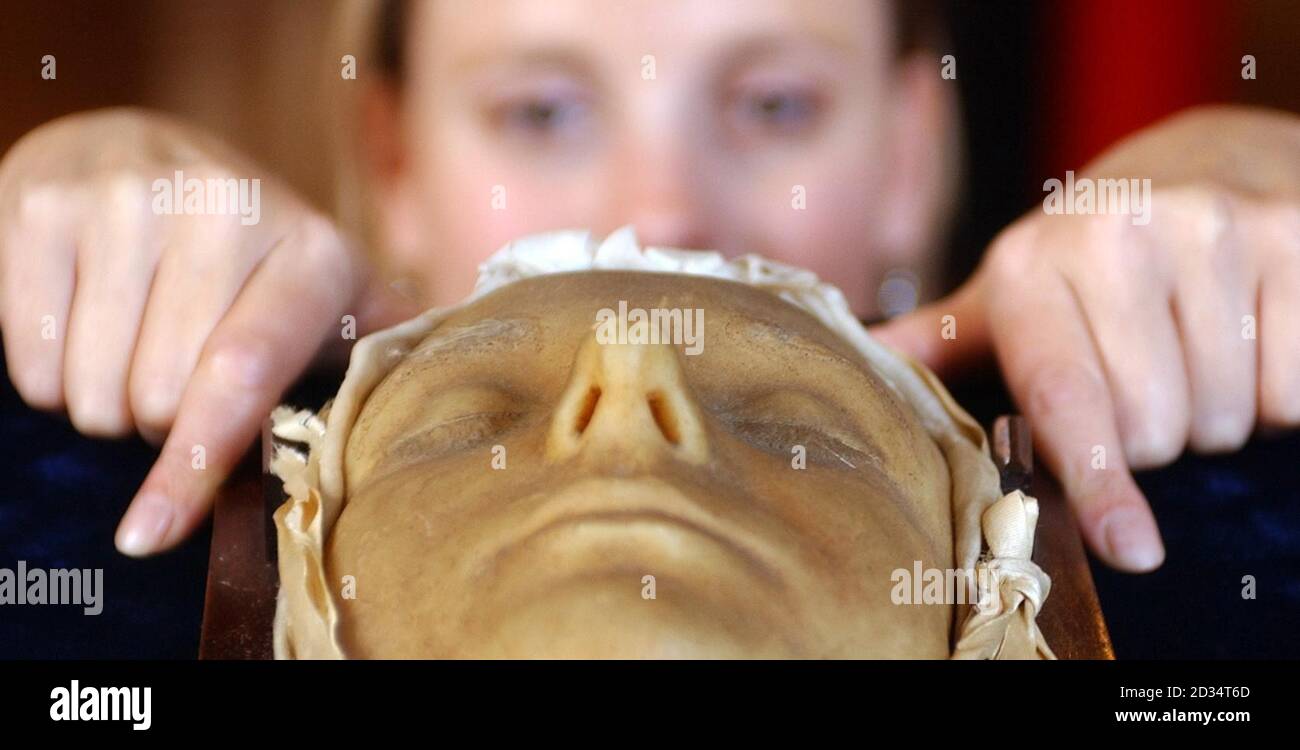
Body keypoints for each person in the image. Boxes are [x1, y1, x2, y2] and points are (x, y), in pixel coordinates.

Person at [0, 0, 1296, 574]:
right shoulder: (184, 480)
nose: (660, 211)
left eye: (776, 103)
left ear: (907, 153)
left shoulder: (1110, 488)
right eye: (543, 109)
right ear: (393, 158)